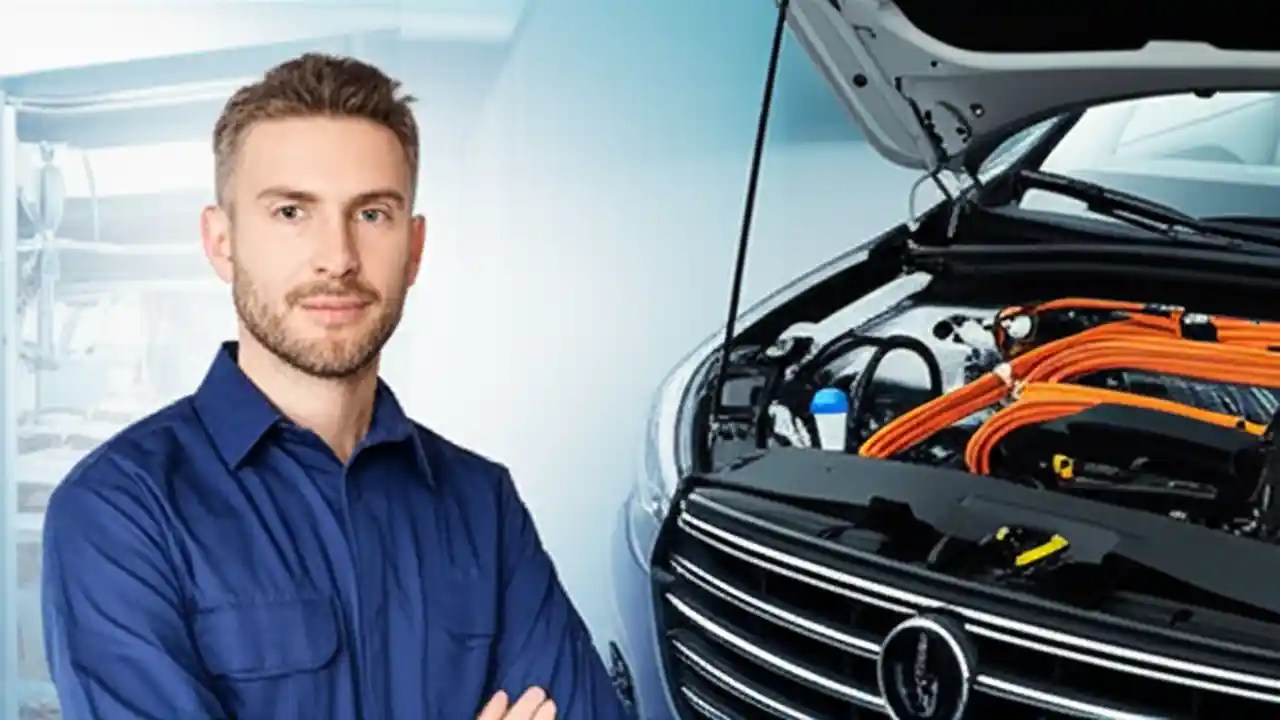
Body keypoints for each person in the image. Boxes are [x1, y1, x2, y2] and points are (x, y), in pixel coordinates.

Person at [39, 53, 628, 720]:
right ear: (221, 241)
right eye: (292, 211)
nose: (338, 257)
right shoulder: (120, 513)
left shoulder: (482, 508)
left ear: (414, 247)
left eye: (372, 214)